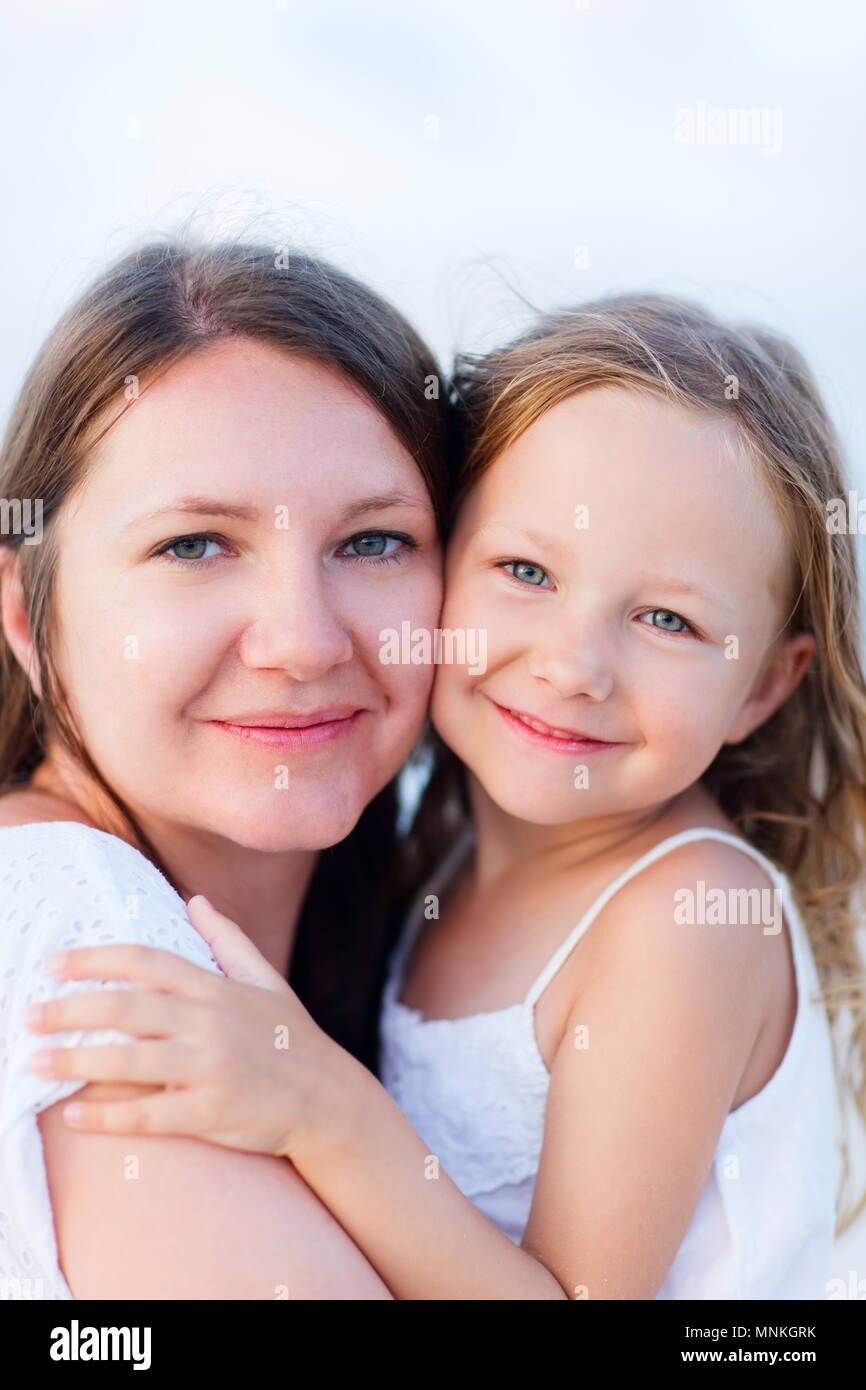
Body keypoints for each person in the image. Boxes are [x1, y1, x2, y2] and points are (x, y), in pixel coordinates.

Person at [36, 294, 866, 1299]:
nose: (571, 666)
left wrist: (322, 1108)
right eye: (523, 570)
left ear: (766, 685)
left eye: (666, 619)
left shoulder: (686, 915)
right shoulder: (435, 869)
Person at [0, 235, 455, 1299]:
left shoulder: (376, 946)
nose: (300, 640)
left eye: (375, 541)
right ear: (27, 612)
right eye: (195, 543)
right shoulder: (80, 934)